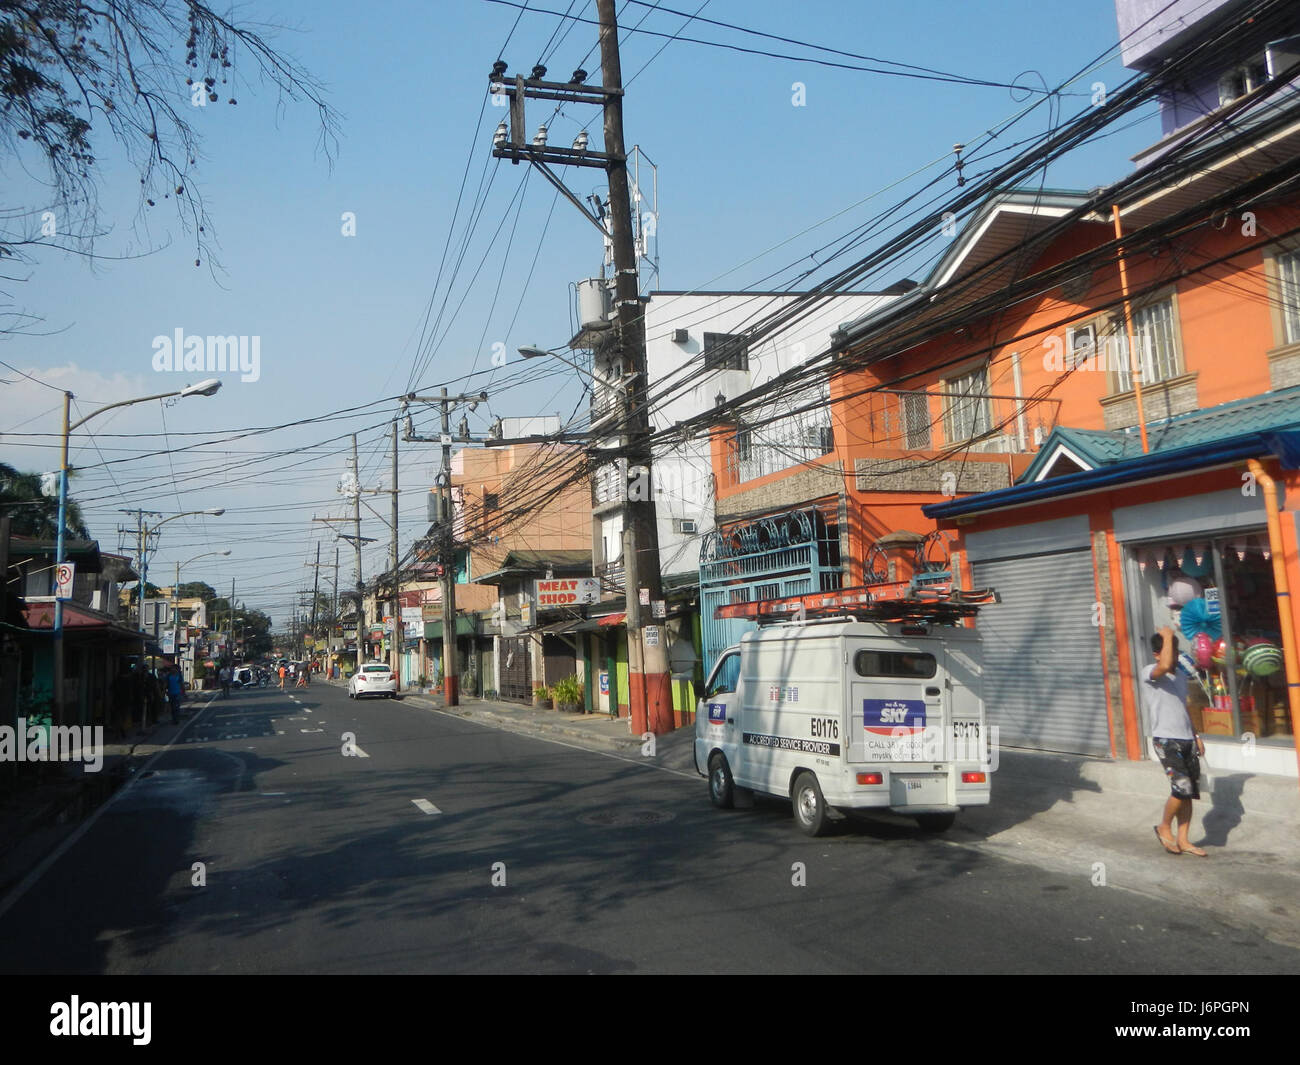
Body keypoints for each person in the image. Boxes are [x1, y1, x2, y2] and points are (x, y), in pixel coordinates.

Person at [1142, 626, 1208, 857]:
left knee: (1189, 793)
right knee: (1181, 788)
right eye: (1170, 649)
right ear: (1157, 653)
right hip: (1166, 739)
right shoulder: (1150, 671)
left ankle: (1184, 840)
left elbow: (1183, 708)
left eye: (1176, 649)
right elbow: (1165, 665)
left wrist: (1196, 735)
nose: (1175, 654)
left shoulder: (1180, 677)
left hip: (1187, 738)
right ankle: (1163, 826)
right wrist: (1168, 636)